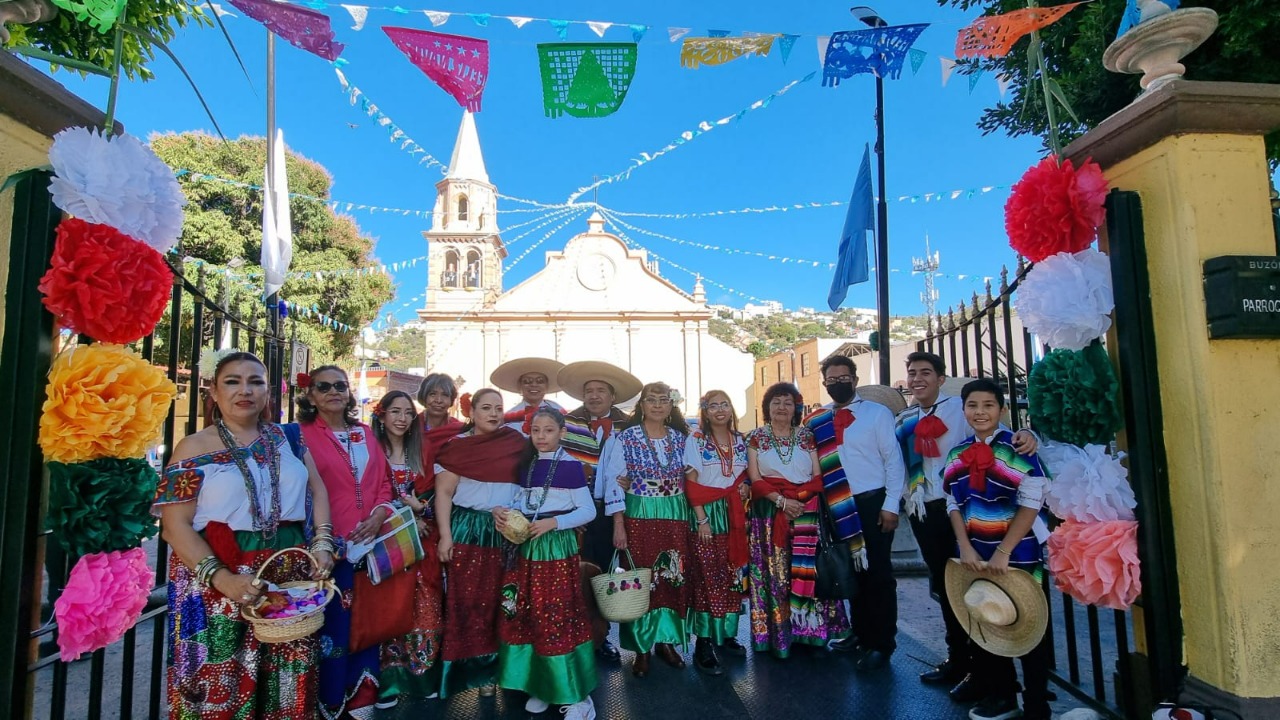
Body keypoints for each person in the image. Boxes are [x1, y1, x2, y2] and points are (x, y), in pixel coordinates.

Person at [156, 350, 335, 720]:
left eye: (255, 382)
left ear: (268, 392)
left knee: (287, 682)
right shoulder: (191, 448)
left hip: (288, 578)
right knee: (221, 683)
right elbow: (174, 527)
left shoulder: (289, 440)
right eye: (232, 382)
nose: (245, 390)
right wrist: (223, 580)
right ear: (214, 393)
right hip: (218, 581)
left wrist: (322, 543)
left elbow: (317, 490)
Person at [894, 352, 1037, 696]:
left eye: (926, 372)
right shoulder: (903, 419)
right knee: (945, 590)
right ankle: (957, 659)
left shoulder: (959, 410)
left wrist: (1030, 433)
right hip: (923, 509)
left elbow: (998, 434)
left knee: (972, 588)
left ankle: (985, 671)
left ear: (941, 379)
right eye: (912, 373)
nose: (917, 379)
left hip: (961, 511)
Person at [944, 379, 1052, 720]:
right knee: (991, 622)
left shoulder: (1019, 449)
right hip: (976, 551)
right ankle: (1002, 695)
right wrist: (965, 546)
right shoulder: (957, 453)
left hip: (1017, 553)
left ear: (1002, 409)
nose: (980, 412)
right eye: (972, 405)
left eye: (988, 405)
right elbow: (953, 503)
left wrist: (1005, 550)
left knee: (1031, 626)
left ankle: (1037, 703)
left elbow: (1032, 502)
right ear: (964, 411)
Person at [297, 365, 394, 719]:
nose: (334, 392)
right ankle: (329, 698)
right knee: (332, 626)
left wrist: (379, 515)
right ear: (311, 395)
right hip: (326, 546)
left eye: (340, 385)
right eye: (324, 387)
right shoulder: (300, 435)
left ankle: (362, 693)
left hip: (370, 545)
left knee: (367, 622)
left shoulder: (365, 433)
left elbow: (384, 484)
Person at [493, 408, 599, 719]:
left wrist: (554, 523)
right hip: (527, 548)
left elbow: (588, 510)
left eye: (548, 430)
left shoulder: (570, 466)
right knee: (530, 612)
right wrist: (502, 510)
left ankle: (577, 696)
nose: (541, 436)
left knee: (557, 614)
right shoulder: (527, 464)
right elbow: (523, 501)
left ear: (562, 432)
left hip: (554, 549)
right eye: (536, 430)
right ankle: (541, 684)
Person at [808, 355, 905, 671]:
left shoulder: (876, 414)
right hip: (838, 505)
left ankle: (882, 643)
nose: (838, 384)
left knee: (878, 574)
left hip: (872, 502)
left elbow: (893, 461)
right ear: (825, 383)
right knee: (851, 573)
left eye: (843, 378)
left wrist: (891, 505)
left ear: (855, 378)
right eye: (831, 380)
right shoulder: (817, 419)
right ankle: (860, 634)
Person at [432, 388, 528, 697]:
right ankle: (482, 674)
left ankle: (509, 669)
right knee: (472, 602)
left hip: (508, 530)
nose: (493, 413)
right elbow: (444, 493)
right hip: (471, 529)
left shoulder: (516, 444)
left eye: (498, 408)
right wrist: (445, 535)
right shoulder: (456, 448)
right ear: (471, 413)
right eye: (486, 408)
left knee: (508, 599)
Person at [745, 382, 850, 658]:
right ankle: (777, 636)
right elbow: (755, 479)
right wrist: (781, 502)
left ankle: (811, 634)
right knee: (775, 574)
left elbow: (818, 476)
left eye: (787, 402)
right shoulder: (756, 437)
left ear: (796, 408)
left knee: (808, 573)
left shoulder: (806, 437)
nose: (781, 407)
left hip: (806, 510)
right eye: (776, 402)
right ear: (767, 407)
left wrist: (798, 500)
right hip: (769, 514)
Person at [601, 381, 692, 678]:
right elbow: (615, 481)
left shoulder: (681, 439)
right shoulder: (625, 438)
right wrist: (618, 524)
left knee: (672, 575)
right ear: (641, 405)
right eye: (650, 400)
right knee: (641, 579)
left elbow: (694, 476)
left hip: (675, 512)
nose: (656, 404)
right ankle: (641, 648)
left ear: (670, 406)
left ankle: (666, 642)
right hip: (639, 512)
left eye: (663, 400)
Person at [558, 360, 643, 662]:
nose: (594, 396)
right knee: (575, 575)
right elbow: (556, 466)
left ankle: (602, 635)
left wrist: (634, 479)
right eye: (589, 391)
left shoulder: (629, 425)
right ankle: (575, 638)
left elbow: (641, 464)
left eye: (601, 391)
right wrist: (568, 511)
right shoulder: (567, 423)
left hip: (614, 513)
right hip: (576, 511)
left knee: (607, 574)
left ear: (612, 396)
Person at [369, 390, 444, 709]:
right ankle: (388, 684)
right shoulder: (369, 452)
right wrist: (406, 512)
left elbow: (437, 498)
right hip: (384, 541)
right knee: (388, 610)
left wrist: (422, 512)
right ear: (382, 415)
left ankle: (422, 678)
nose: (402, 419)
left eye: (408, 413)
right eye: (395, 412)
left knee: (425, 608)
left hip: (422, 543)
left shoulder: (423, 453)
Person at [683, 390, 750, 674]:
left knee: (733, 574)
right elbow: (691, 481)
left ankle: (727, 633)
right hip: (707, 515)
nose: (720, 409)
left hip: (733, 514)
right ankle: (704, 641)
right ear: (705, 412)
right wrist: (702, 520)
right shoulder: (697, 439)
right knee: (706, 577)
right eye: (713, 405)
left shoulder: (741, 440)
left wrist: (746, 486)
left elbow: (746, 474)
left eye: (725, 403)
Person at [491, 357, 567, 434]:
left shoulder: (559, 411)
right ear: (520, 386)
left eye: (540, 381)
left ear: (547, 386)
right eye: (527, 381)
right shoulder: (509, 417)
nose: (534, 384)